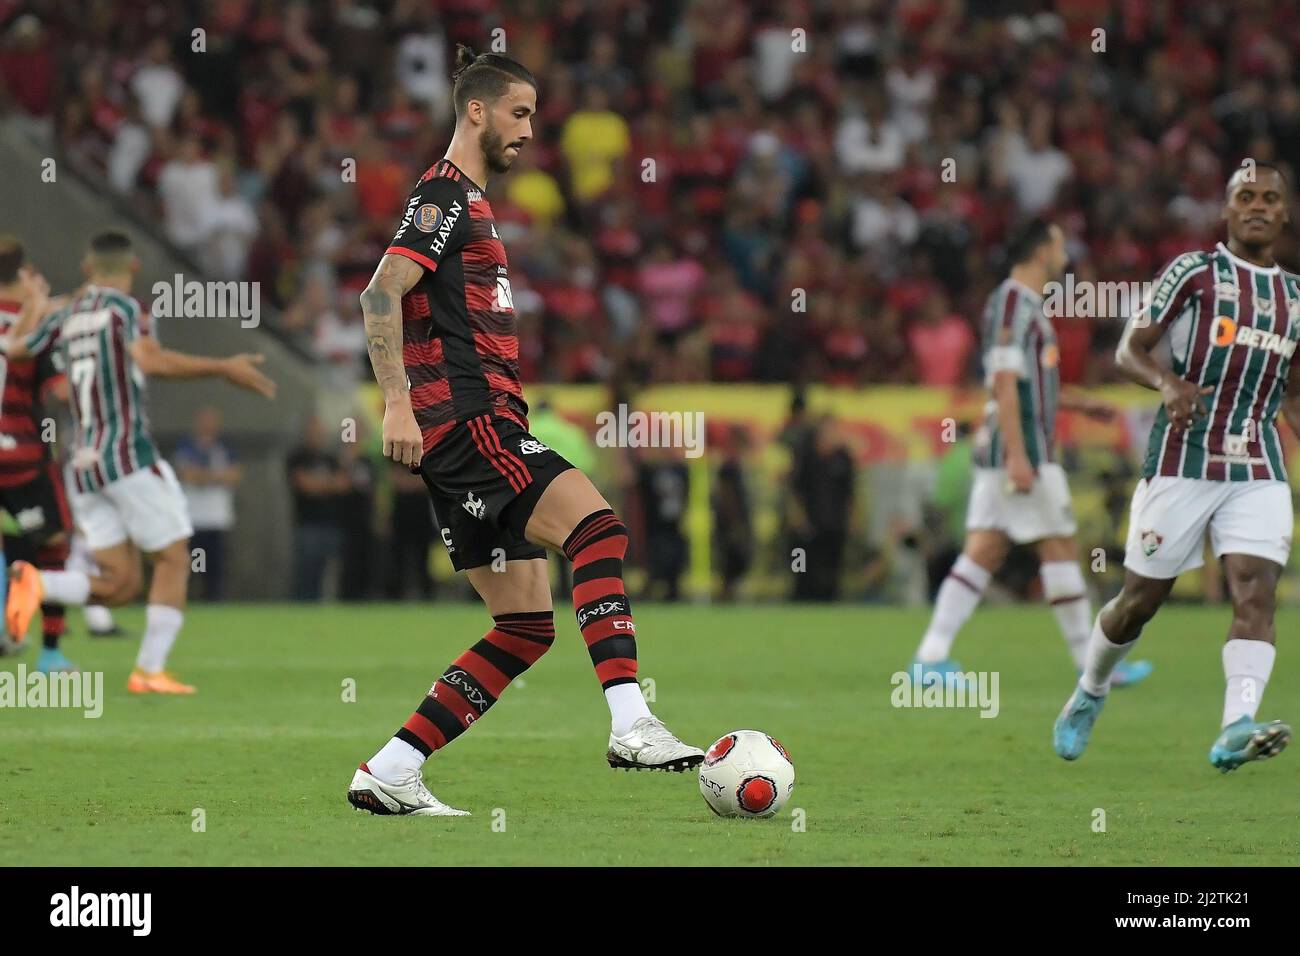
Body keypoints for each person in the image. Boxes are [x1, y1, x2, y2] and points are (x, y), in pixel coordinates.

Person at [349, 45, 702, 818]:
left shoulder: (469, 200)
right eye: (519, 112)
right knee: (600, 532)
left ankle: (392, 767)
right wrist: (396, 402)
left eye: (534, 116)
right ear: (475, 110)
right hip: (471, 424)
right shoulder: (442, 195)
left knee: (523, 624)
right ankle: (631, 723)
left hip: (464, 431)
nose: (531, 131)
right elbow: (381, 292)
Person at [1054, 165, 1298, 771]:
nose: (1258, 208)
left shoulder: (1295, 297)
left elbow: (1291, 391)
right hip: (1182, 456)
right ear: (1227, 210)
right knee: (1140, 599)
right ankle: (1091, 689)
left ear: (1286, 214)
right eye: (1246, 198)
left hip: (1257, 462)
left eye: (1270, 199)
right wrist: (1167, 383)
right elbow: (1128, 350)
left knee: (1255, 590)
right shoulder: (1196, 274)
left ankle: (1233, 727)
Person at [4, 230, 275, 693]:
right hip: (126, 456)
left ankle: (38, 585)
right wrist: (222, 368)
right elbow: (151, 361)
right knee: (173, 559)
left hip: (82, 466)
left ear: (87, 269)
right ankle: (149, 671)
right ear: (133, 268)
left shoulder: (66, 313)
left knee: (120, 583)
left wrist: (32, 303)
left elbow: (13, 349)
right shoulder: (128, 309)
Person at [908, 218, 1152, 689]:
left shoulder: (1026, 306)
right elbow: (1002, 380)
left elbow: (1031, 384)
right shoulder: (1012, 303)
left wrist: (1082, 403)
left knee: (983, 550)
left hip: (1009, 448)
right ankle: (1093, 666)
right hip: (1022, 451)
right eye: (1060, 245)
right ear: (1041, 251)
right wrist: (1020, 457)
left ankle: (930, 658)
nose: (1066, 254)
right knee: (1058, 544)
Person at [0, 236, 75, 671]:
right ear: (25, 276)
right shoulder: (39, 329)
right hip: (23, 460)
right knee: (52, 547)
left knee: (14, 548)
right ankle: (51, 653)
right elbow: (59, 391)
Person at [174, 406, 240, 601]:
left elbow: (234, 475)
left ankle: (214, 601)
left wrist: (204, 476)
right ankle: (192, 598)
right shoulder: (187, 447)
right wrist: (216, 476)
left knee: (217, 567)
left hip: (218, 520)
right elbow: (187, 474)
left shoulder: (224, 448)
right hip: (195, 520)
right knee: (196, 564)